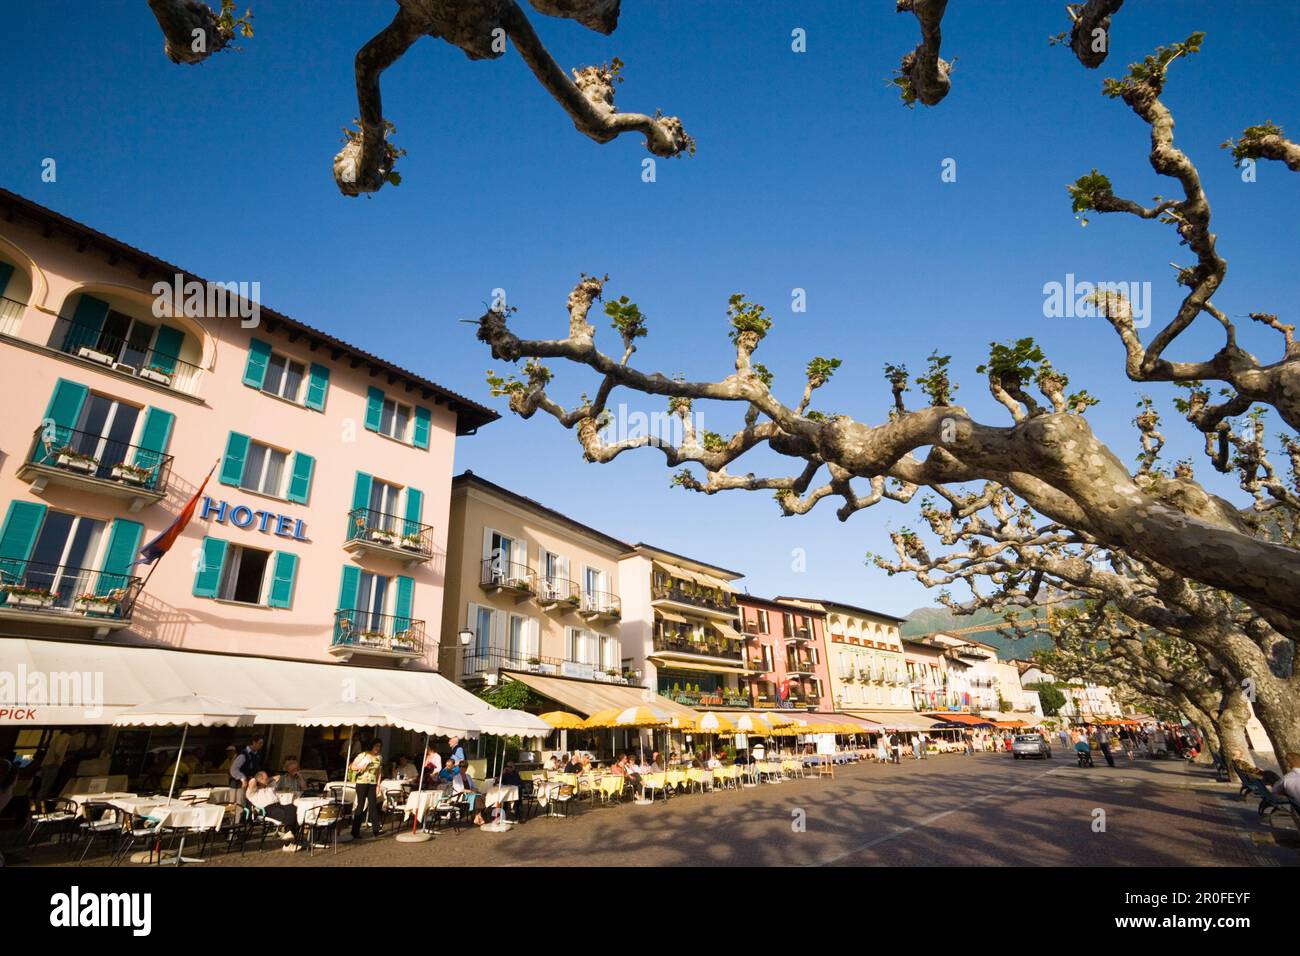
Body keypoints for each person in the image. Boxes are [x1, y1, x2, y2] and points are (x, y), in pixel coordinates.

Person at [246, 771, 304, 850]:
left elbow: (279, 777)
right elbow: (252, 781)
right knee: (286, 814)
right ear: (259, 780)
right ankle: (288, 843)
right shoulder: (252, 792)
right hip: (267, 809)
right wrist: (264, 781)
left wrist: (267, 780)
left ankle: (288, 834)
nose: (267, 780)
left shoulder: (270, 786)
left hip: (279, 805)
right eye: (265, 779)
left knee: (293, 808)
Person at [349, 739, 384, 839]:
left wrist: (378, 784)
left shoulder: (379, 757)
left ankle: (376, 829)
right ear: (372, 746)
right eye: (376, 746)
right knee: (360, 805)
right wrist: (360, 767)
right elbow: (352, 766)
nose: (378, 748)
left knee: (373, 805)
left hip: (372, 783)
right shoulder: (363, 755)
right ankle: (355, 831)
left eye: (379, 746)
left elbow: (379, 772)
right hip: (362, 782)